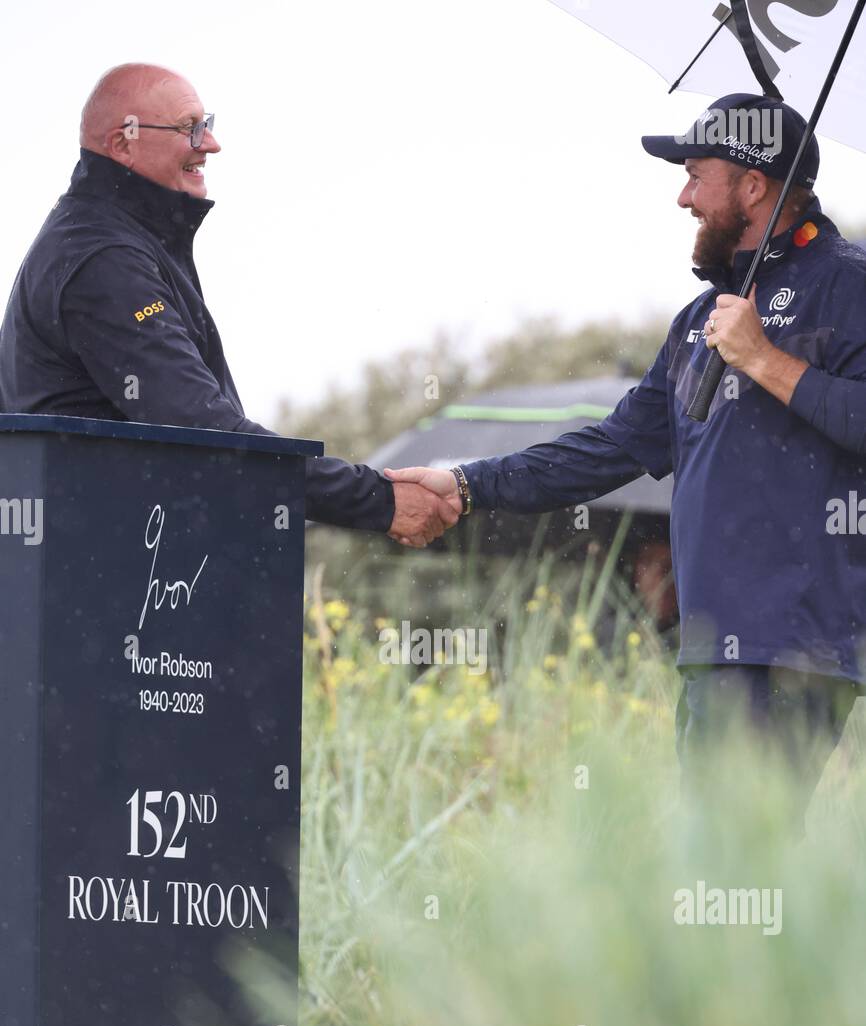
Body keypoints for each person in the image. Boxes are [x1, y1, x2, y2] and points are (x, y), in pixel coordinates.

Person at [388, 92, 866, 825]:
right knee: (711, 873)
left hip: (792, 647)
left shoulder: (849, 282)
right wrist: (464, 483)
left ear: (751, 185)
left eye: (695, 173)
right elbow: (610, 447)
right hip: (714, 649)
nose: (682, 196)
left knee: (730, 872)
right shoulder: (699, 320)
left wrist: (764, 361)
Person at [0, 63, 459, 548]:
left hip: (110, 560)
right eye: (187, 129)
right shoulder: (106, 260)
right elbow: (200, 428)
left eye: (206, 124)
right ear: (122, 144)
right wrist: (379, 501)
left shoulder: (117, 236)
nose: (209, 144)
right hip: (110, 572)